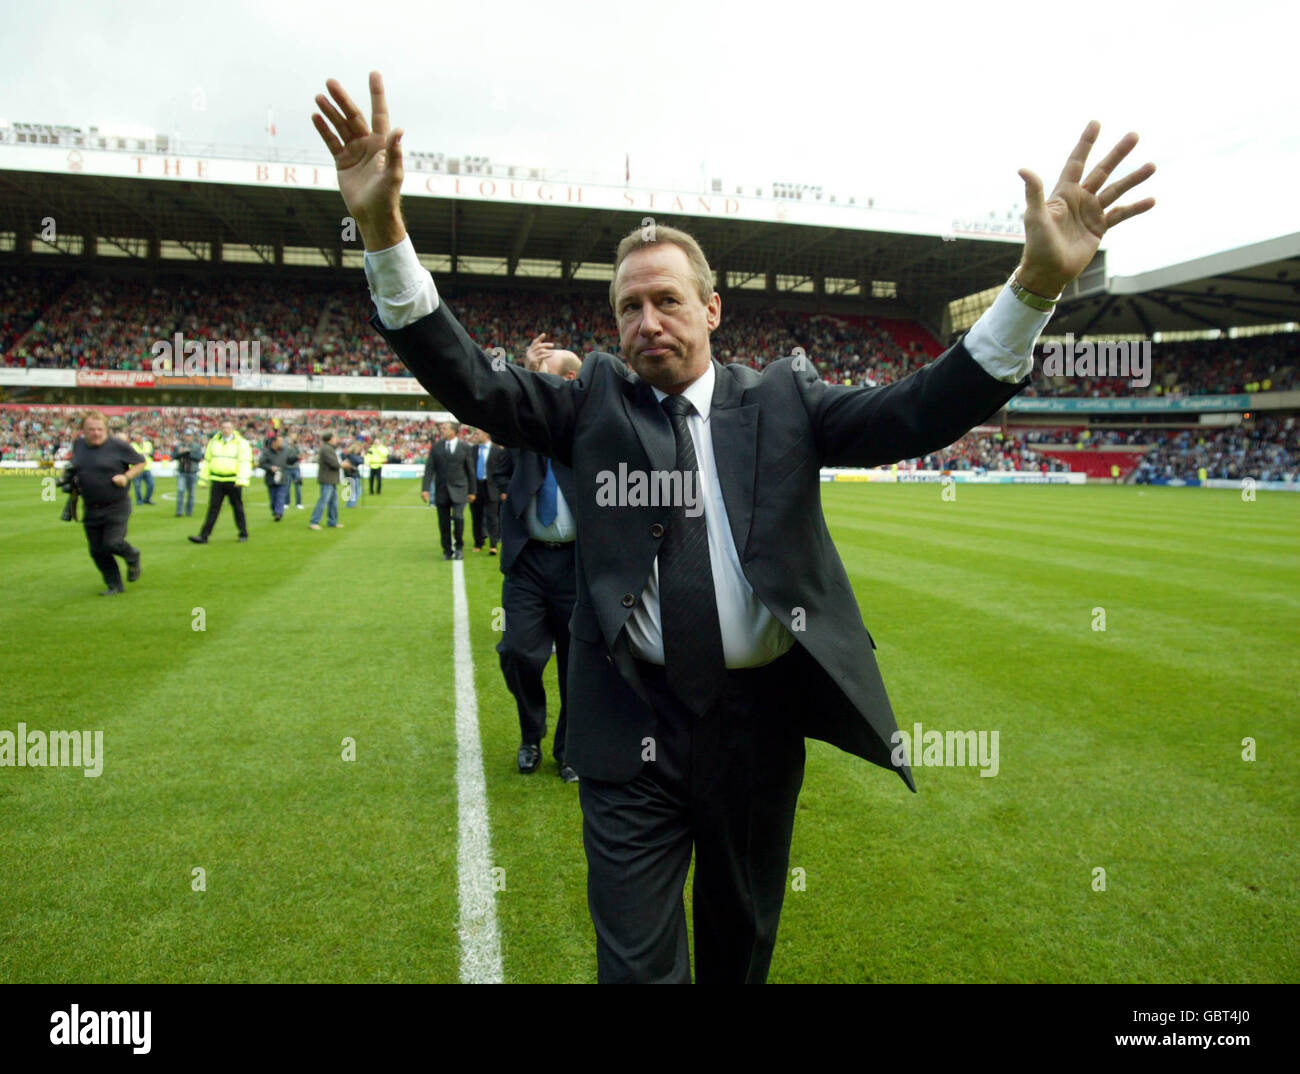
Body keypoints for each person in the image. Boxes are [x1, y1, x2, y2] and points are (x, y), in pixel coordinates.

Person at [316, 73, 1156, 983]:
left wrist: (1032, 287)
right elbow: (469, 380)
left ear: (713, 309)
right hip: (629, 720)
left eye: (668, 300)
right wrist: (383, 232)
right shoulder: (590, 402)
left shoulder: (785, 401)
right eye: (629, 308)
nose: (647, 323)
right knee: (637, 970)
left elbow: (918, 411)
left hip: (755, 731)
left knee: (737, 955)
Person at [494, 352, 582, 780]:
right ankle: (531, 736)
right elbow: (505, 407)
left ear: (568, 381)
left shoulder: (586, 425)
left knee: (577, 664)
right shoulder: (523, 427)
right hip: (527, 563)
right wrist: (525, 372)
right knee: (518, 652)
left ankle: (569, 750)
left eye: (543, 381)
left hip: (575, 565)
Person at [71, 411, 146, 595]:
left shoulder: (118, 446)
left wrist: (126, 477)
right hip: (91, 507)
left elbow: (140, 462)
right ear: (83, 430)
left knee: (112, 543)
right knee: (97, 551)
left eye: (100, 429)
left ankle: (132, 556)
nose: (95, 433)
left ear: (106, 429)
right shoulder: (78, 445)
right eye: (91, 429)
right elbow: (77, 468)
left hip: (116, 505)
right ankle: (114, 585)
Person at [189, 419, 252, 544]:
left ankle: (243, 533)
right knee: (213, 508)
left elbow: (245, 462)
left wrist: (241, 479)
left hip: (233, 480)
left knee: (237, 507)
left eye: (228, 427)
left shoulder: (241, 443)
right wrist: (203, 480)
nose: (225, 429)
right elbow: (207, 461)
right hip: (217, 479)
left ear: (233, 428)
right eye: (223, 427)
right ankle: (204, 536)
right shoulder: (213, 442)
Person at [421, 421, 475, 560]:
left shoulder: (465, 447)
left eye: (444, 428)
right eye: (441, 428)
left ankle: (459, 547)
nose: (441, 430)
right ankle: (446, 550)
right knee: (443, 522)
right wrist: (425, 489)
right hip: (442, 490)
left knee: (458, 517)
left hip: (460, 489)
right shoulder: (436, 447)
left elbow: (470, 471)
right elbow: (429, 469)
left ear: (454, 431)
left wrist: (472, 491)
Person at [469, 428, 509, 554]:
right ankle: (478, 543)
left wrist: (503, 490)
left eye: (478, 433)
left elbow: (502, 471)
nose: (476, 435)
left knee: (492, 518)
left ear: (486, 434)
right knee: (476, 517)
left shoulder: (497, 451)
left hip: (492, 488)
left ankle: (493, 544)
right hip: (476, 487)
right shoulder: (473, 450)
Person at [309, 430, 346, 530]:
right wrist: (343, 465)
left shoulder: (329, 448)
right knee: (324, 500)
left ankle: (332, 522)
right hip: (327, 478)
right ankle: (314, 521)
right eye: (335, 437)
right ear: (330, 439)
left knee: (333, 501)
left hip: (331, 478)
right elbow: (333, 463)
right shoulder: (326, 449)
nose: (336, 439)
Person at [259, 432, 294, 520]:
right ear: (274, 442)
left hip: (282, 476)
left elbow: (289, 461)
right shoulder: (266, 452)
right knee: (273, 497)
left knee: (280, 496)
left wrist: (296, 458)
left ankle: (278, 513)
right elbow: (261, 463)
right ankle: (275, 511)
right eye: (280, 441)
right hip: (271, 477)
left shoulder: (286, 450)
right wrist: (270, 467)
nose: (282, 442)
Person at [173, 425, 204, 517]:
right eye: (186, 435)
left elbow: (199, 457)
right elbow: (174, 456)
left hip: (192, 472)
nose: (188, 437)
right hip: (182, 471)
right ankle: (179, 511)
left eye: (189, 435)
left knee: (191, 494)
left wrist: (189, 453)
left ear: (192, 436)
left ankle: (189, 511)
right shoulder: (179, 446)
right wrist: (181, 453)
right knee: (180, 491)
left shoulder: (196, 446)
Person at [131, 428, 155, 505]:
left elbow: (152, 454)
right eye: (135, 438)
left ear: (141, 437)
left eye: (138, 437)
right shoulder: (132, 445)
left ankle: (147, 499)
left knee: (151, 484)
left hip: (146, 468)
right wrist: (142, 455)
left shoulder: (148, 444)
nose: (137, 439)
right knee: (137, 486)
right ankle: (139, 500)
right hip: (136, 468)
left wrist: (147, 454)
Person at [285, 434, 306, 509]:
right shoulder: (286, 446)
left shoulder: (298, 446)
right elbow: (286, 456)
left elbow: (301, 454)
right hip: (287, 468)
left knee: (298, 486)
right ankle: (286, 502)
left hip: (296, 468)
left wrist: (296, 445)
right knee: (287, 486)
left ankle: (299, 503)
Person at [343, 439, 366, 507]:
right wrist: (362, 455)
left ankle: (351, 504)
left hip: (351, 475)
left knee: (355, 491)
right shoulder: (352, 456)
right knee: (356, 491)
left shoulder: (349, 455)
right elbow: (361, 461)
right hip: (353, 475)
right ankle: (351, 505)